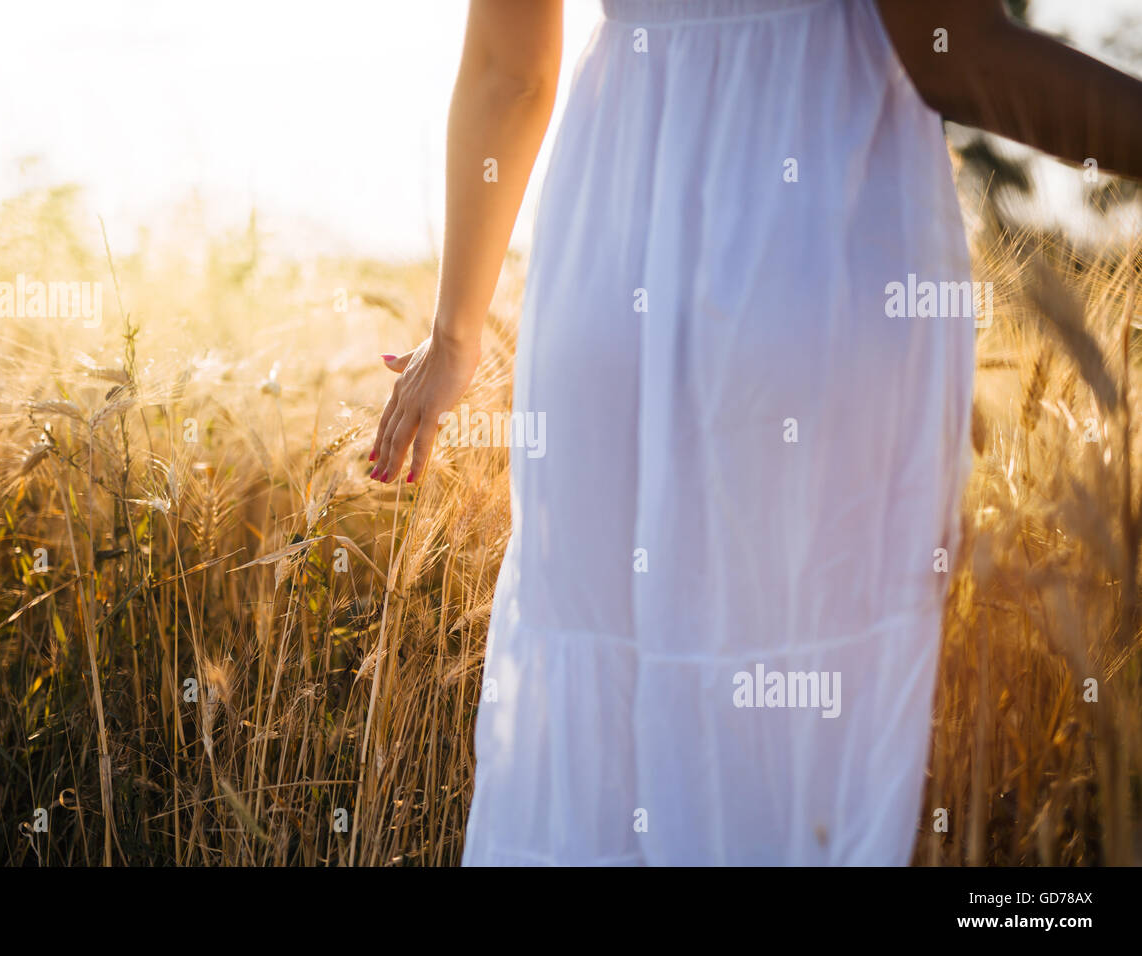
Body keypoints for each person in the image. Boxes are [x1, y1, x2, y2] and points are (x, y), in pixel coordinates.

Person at [367, 0, 1142, 865]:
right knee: (791, 709)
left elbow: (508, 75)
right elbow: (953, 50)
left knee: (602, 695)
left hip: (609, 259)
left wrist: (457, 333)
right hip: (816, 259)